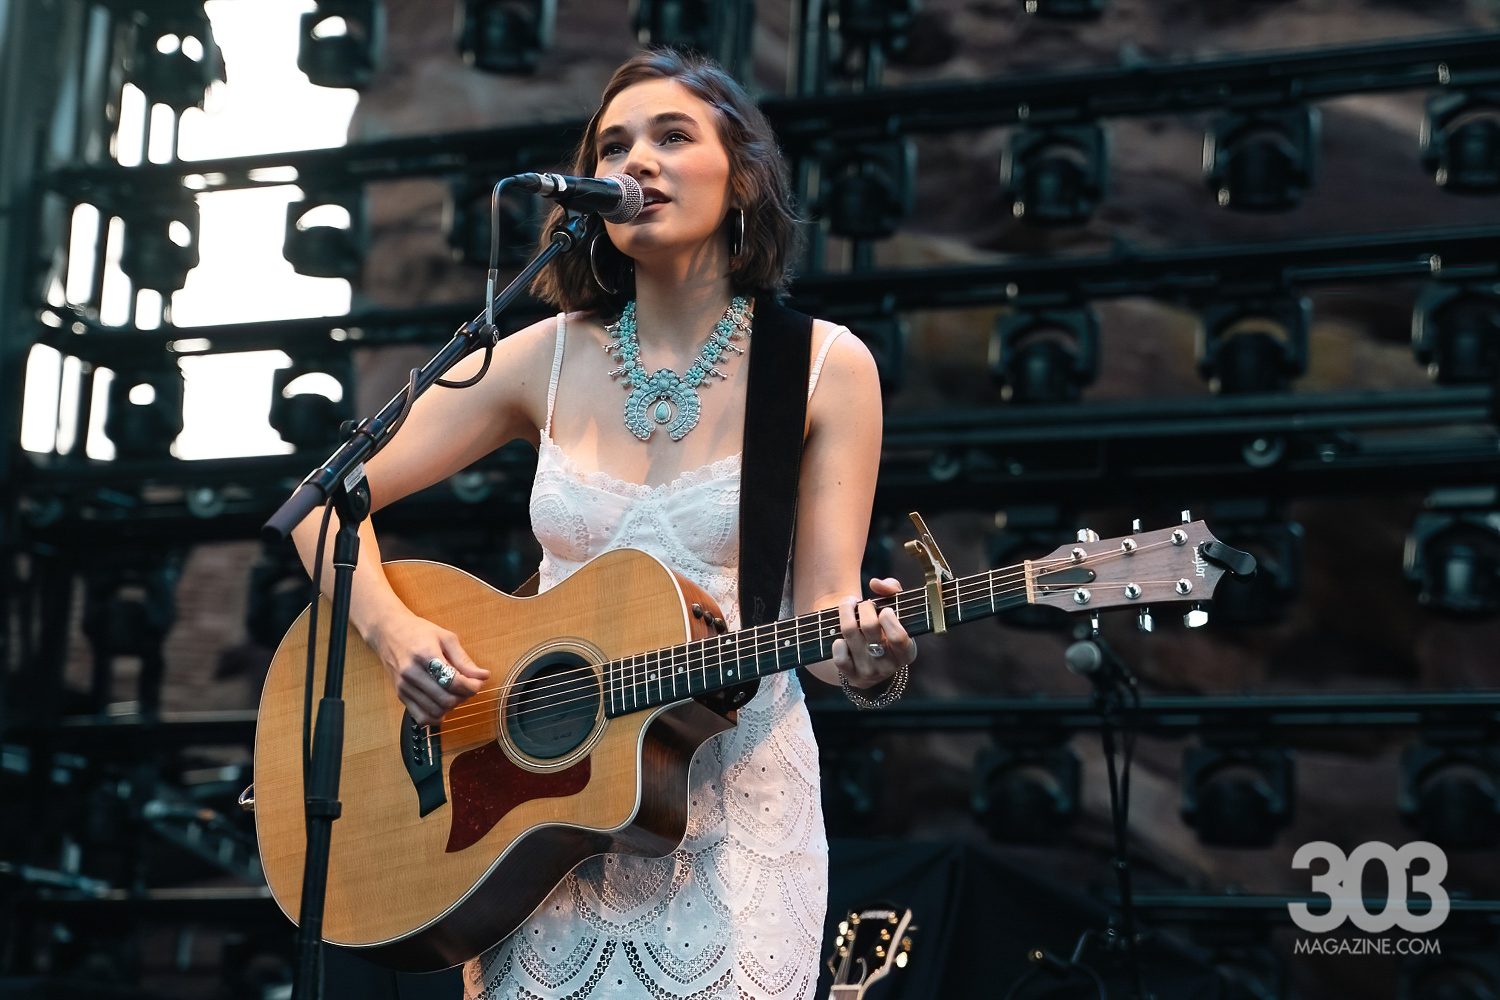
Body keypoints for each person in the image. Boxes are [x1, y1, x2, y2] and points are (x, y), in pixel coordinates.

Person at [294, 47, 917, 1000]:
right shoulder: (538, 358)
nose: (638, 162)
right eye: (614, 145)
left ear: (742, 173)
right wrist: (396, 631)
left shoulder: (827, 367)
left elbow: (827, 621)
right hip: (538, 816)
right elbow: (320, 505)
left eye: (673, 136)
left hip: (729, 805)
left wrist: (868, 661)